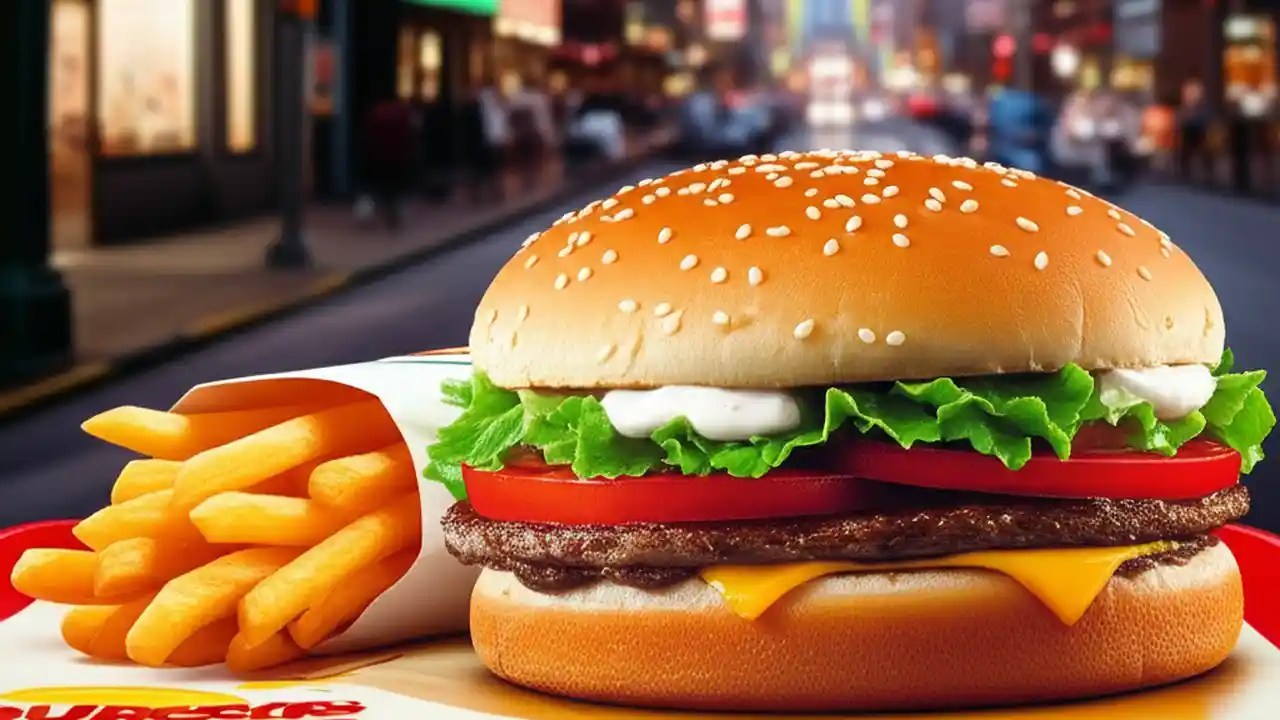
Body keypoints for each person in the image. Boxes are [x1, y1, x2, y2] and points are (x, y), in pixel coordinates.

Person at [359, 98, 417, 230]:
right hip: (398, 157)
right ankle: (394, 215)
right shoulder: (402, 113)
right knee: (395, 190)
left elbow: (368, 136)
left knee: (380, 188)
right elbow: (409, 135)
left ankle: (376, 214)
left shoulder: (375, 114)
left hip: (380, 156)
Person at [461, 80, 508, 204]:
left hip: (488, 141)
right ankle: (485, 193)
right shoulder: (478, 107)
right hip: (482, 141)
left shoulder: (487, 107)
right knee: (484, 169)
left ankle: (491, 193)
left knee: (490, 168)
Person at [1177, 79, 1210, 183]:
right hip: (1188, 126)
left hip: (1198, 126)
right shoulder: (1185, 109)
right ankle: (1186, 173)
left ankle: (1205, 173)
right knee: (1187, 151)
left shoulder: (1200, 108)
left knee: (1202, 151)